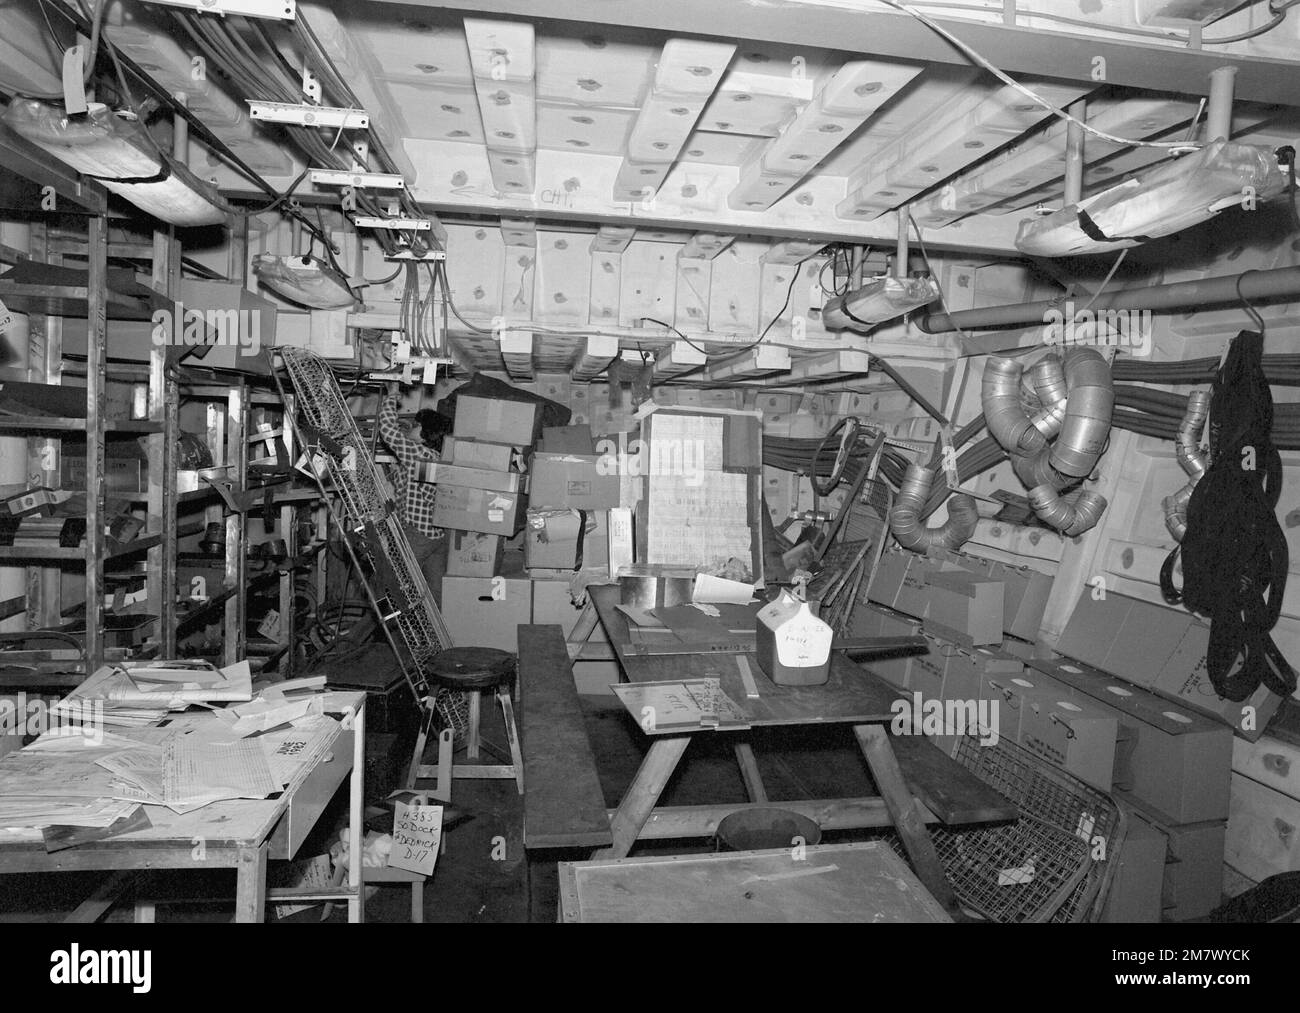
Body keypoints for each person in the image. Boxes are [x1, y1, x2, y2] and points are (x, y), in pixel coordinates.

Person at [377, 391, 452, 605]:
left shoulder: (416, 453)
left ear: (425, 433)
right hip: (436, 535)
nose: (412, 428)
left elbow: (388, 431)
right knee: (435, 594)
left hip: (417, 532)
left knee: (395, 578)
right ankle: (436, 636)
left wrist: (391, 397)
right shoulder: (435, 457)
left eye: (416, 425)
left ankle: (397, 629)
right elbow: (414, 488)